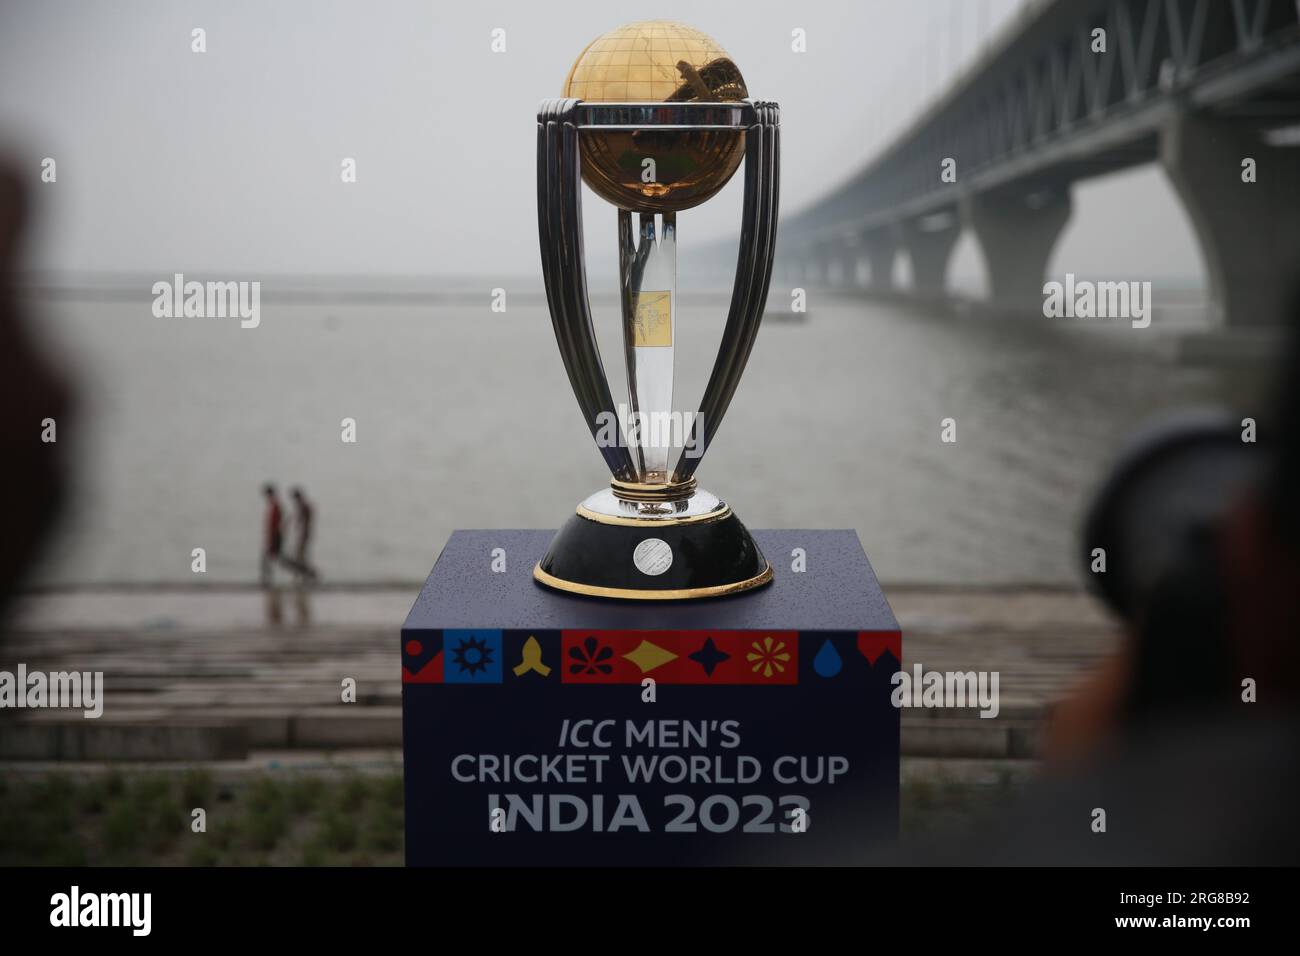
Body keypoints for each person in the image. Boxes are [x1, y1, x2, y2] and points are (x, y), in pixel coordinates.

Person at [288, 486, 318, 583]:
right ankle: (304, 576)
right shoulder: (304, 506)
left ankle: (307, 575)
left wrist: (298, 525)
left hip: (304, 534)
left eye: (294, 498)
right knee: (301, 556)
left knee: (300, 556)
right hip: (305, 533)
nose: (294, 501)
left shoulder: (304, 506)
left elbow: (303, 520)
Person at [260, 483, 286, 586]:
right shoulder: (274, 505)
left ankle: (267, 580)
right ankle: (267, 579)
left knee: (269, 558)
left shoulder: (275, 505)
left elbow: (275, 524)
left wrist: (272, 538)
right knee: (273, 558)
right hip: (275, 535)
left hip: (275, 536)